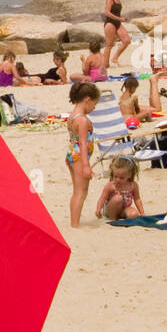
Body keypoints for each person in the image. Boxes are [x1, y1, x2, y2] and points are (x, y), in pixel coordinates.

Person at [65, 82, 99, 228]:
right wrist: (86, 166)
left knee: (76, 191)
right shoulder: (83, 120)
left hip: (72, 154)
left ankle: (74, 222)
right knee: (81, 192)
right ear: (87, 100)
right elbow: (83, 143)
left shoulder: (72, 116)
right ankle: (75, 223)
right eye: (94, 104)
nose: (94, 108)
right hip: (80, 157)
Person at [95, 156, 144, 220]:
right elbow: (102, 199)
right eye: (115, 176)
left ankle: (121, 217)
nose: (117, 180)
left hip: (124, 209)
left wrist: (142, 213)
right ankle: (113, 219)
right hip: (110, 210)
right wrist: (98, 209)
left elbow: (137, 199)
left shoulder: (133, 185)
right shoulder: (111, 185)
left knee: (134, 214)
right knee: (118, 198)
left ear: (129, 175)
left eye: (121, 178)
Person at [101, 0, 130, 71]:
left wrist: (121, 18)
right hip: (110, 23)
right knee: (109, 45)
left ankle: (115, 58)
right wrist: (119, 19)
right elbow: (107, 12)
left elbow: (116, 12)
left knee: (126, 40)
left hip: (117, 22)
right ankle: (105, 64)